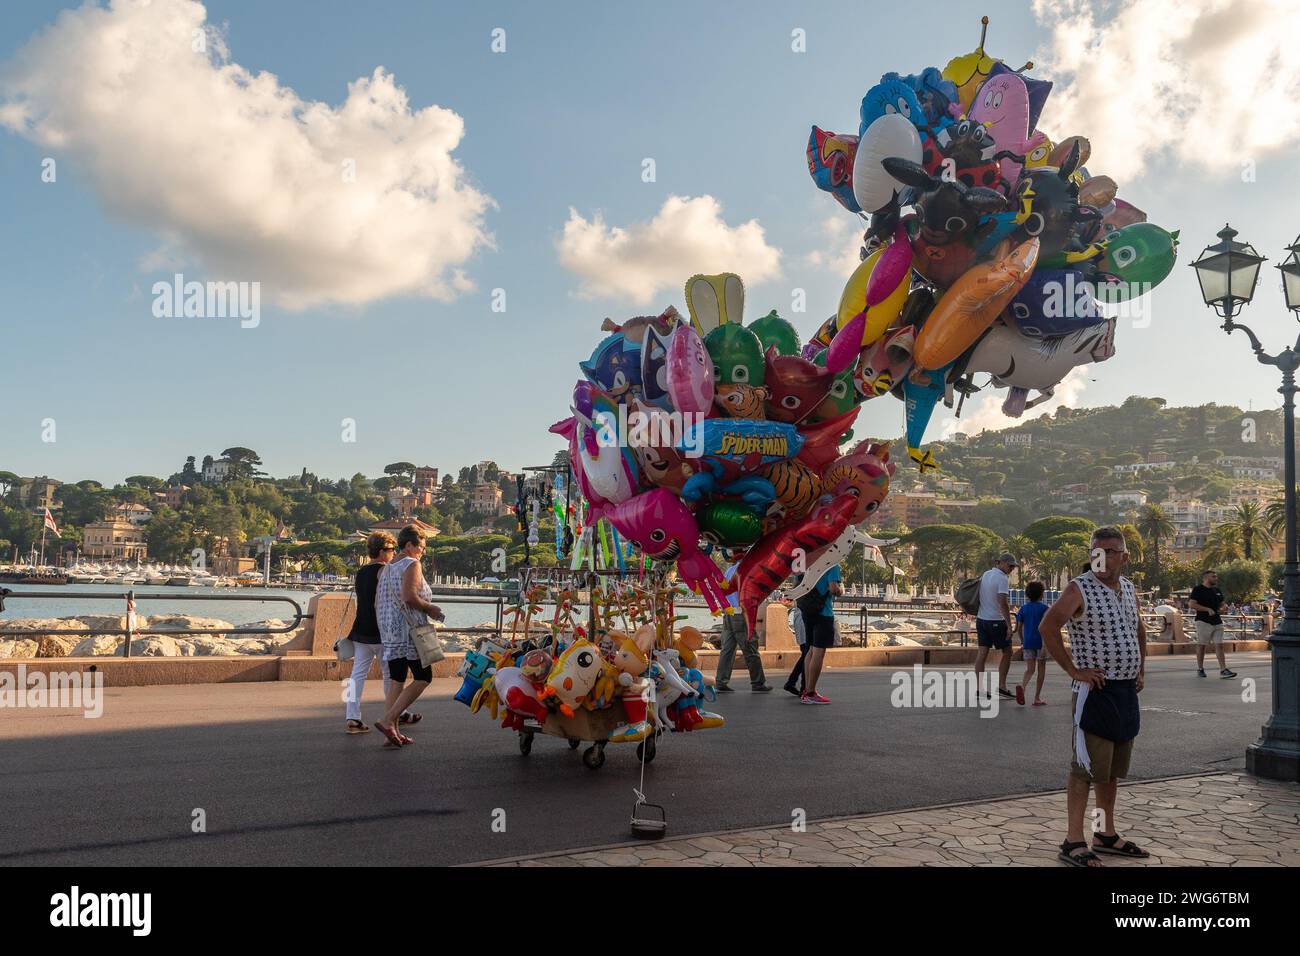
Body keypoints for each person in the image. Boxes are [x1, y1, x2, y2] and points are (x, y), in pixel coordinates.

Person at [1039, 527, 1149, 867]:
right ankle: (1073, 840)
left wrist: (1141, 668)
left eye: (1110, 551)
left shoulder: (1128, 589)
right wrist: (1074, 671)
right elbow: (1048, 625)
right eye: (1095, 551)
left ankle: (1104, 834)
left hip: (1124, 689)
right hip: (1096, 692)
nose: (1100, 557)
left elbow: (1139, 628)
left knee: (1111, 771)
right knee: (1085, 768)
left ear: (1124, 557)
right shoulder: (1079, 588)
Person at [374, 525, 445, 747]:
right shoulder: (411, 564)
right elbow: (409, 596)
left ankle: (392, 732)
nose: (422, 551)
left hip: (389, 630)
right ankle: (388, 720)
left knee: (397, 679)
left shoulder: (385, 568)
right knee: (424, 677)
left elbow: (377, 602)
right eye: (420, 547)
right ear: (408, 546)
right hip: (409, 630)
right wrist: (430, 608)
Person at [343, 532, 420, 734]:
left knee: (356, 675)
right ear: (381, 551)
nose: (393, 553)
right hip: (382, 630)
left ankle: (352, 717)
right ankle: (396, 713)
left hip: (360, 630)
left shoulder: (361, 571)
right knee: (390, 675)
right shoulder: (385, 571)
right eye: (391, 550)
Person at [715, 554, 771, 693]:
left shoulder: (730, 570)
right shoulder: (748, 571)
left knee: (727, 650)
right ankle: (758, 682)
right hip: (741, 614)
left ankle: (721, 681)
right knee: (750, 648)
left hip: (729, 613)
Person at [795, 564, 842, 704]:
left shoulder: (808, 561)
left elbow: (797, 582)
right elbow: (834, 589)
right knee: (818, 652)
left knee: (809, 650)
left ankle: (806, 690)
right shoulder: (832, 564)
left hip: (807, 611)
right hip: (823, 612)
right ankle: (810, 692)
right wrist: (840, 590)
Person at [975, 552, 1018, 700]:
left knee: (982, 654)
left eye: (1013, 566)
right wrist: (1009, 625)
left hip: (981, 619)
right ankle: (1002, 686)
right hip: (996, 621)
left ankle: (980, 688)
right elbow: (1003, 603)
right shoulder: (1002, 578)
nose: (1012, 568)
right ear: (1001, 563)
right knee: (1007, 652)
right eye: (1010, 565)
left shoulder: (986, 574)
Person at [1189, 570, 1237, 679]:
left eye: (1216, 576)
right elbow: (1192, 604)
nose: (1216, 578)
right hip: (1203, 621)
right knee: (1202, 645)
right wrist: (1207, 609)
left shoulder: (1217, 590)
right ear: (1206, 578)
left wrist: (1224, 608)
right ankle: (1200, 669)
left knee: (1219, 645)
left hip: (1217, 621)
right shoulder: (1198, 589)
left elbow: (1222, 603)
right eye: (1213, 576)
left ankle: (1223, 670)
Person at [1014, 581, 1050, 706]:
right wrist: (1045, 645)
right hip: (1041, 643)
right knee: (1041, 670)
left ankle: (1023, 686)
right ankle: (1036, 698)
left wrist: (1023, 640)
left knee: (1030, 670)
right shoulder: (1045, 609)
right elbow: (1046, 628)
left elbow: (1018, 628)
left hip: (1028, 642)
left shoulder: (1023, 609)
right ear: (1041, 594)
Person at [783, 588, 810, 696]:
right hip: (804, 620)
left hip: (800, 619)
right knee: (807, 655)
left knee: (805, 654)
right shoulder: (807, 582)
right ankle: (801, 686)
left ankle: (794, 683)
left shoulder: (800, 583)